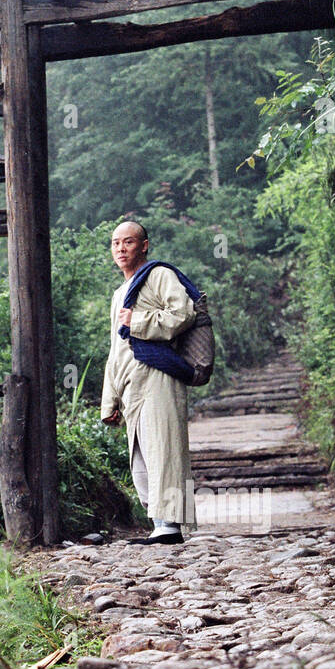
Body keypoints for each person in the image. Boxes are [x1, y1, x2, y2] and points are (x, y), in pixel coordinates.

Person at [101, 220, 197, 544]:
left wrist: (138, 321)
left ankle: (171, 525)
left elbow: (184, 313)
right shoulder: (118, 293)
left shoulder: (159, 276)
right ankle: (159, 523)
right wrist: (110, 399)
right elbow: (116, 349)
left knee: (164, 447)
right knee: (140, 452)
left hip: (158, 373)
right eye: (115, 243)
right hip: (129, 383)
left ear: (144, 245)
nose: (121, 249)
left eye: (128, 242)